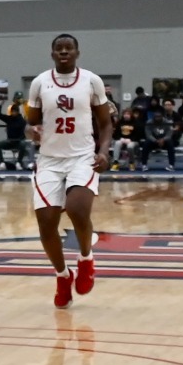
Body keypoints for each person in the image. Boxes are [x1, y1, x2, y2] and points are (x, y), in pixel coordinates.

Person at [23, 35, 110, 309]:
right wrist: (32, 132)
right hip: (49, 160)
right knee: (46, 223)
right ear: (52, 54)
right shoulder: (39, 83)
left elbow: (106, 123)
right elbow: (30, 124)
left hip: (82, 157)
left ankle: (86, 258)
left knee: (77, 209)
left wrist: (104, 151)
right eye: (58, 48)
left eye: (68, 48)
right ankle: (62, 276)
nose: (63, 52)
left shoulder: (91, 81)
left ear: (77, 53)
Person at [138, 99, 180, 170]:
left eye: (159, 117)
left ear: (162, 117)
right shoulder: (149, 122)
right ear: (153, 117)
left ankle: (171, 165)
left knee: (170, 144)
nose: (157, 118)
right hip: (153, 141)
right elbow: (148, 134)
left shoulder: (167, 122)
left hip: (164, 141)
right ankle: (144, 164)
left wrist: (163, 139)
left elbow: (170, 133)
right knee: (146, 143)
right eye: (156, 117)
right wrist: (155, 140)